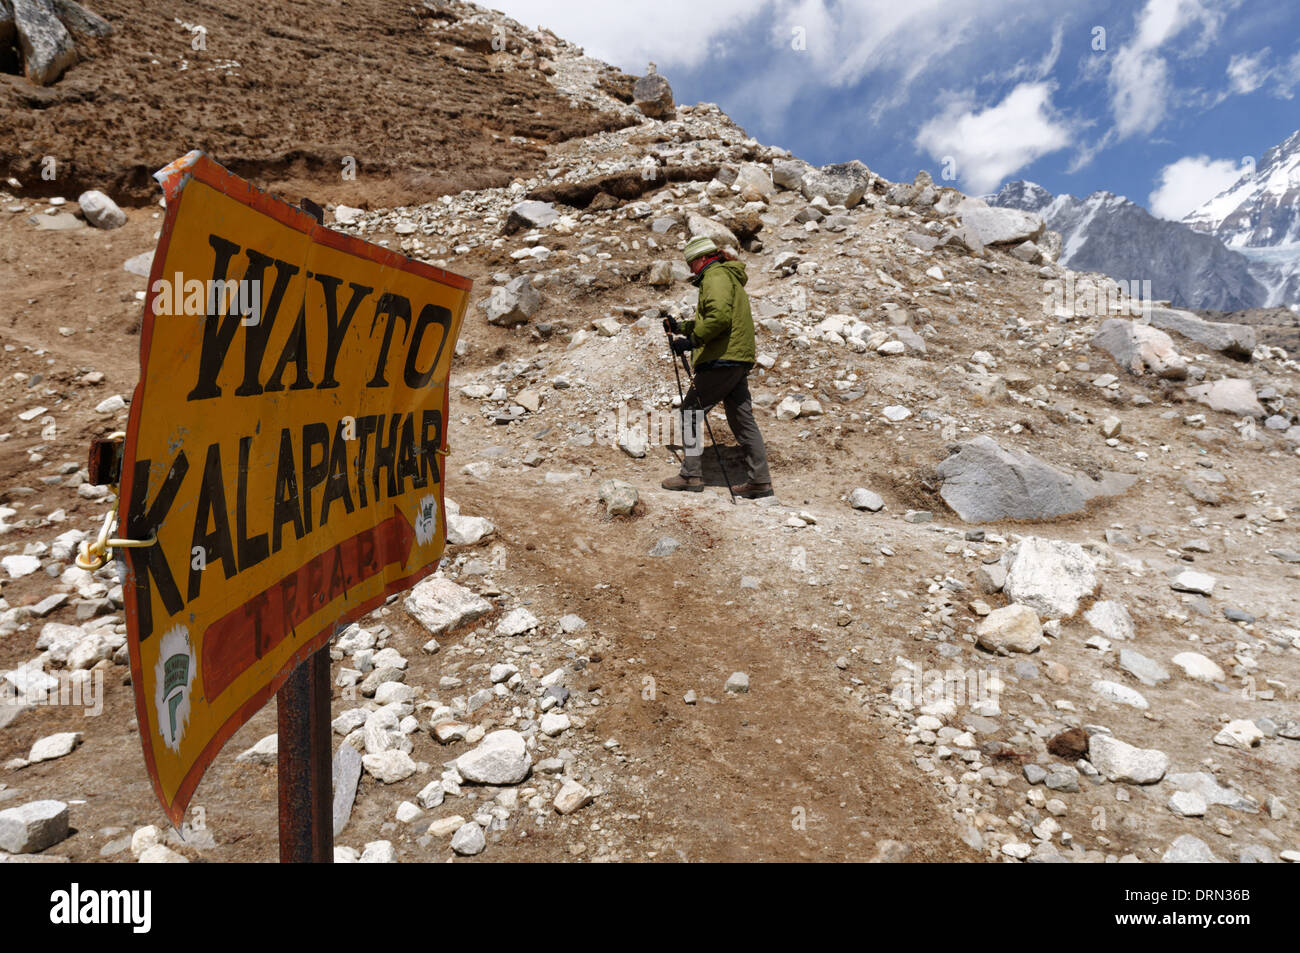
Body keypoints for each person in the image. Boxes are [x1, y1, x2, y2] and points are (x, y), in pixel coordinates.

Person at [661, 236, 773, 499]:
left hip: (722, 358)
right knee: (742, 419)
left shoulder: (715, 276)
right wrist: (682, 328)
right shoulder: (726, 276)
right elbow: (718, 317)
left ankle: (691, 475)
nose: (690, 269)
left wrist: (692, 341)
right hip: (737, 357)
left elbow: (719, 318)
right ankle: (760, 481)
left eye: (691, 263)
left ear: (702, 259)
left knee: (690, 409)